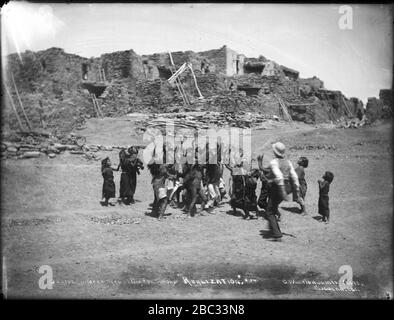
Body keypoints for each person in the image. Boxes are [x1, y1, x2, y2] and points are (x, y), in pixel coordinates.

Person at [264, 142, 299, 240]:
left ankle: (277, 234)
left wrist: (282, 190)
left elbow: (279, 177)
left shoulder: (274, 162)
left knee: (269, 211)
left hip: (279, 187)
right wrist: (297, 191)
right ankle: (273, 229)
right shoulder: (288, 161)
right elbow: (294, 176)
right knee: (273, 206)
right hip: (288, 187)